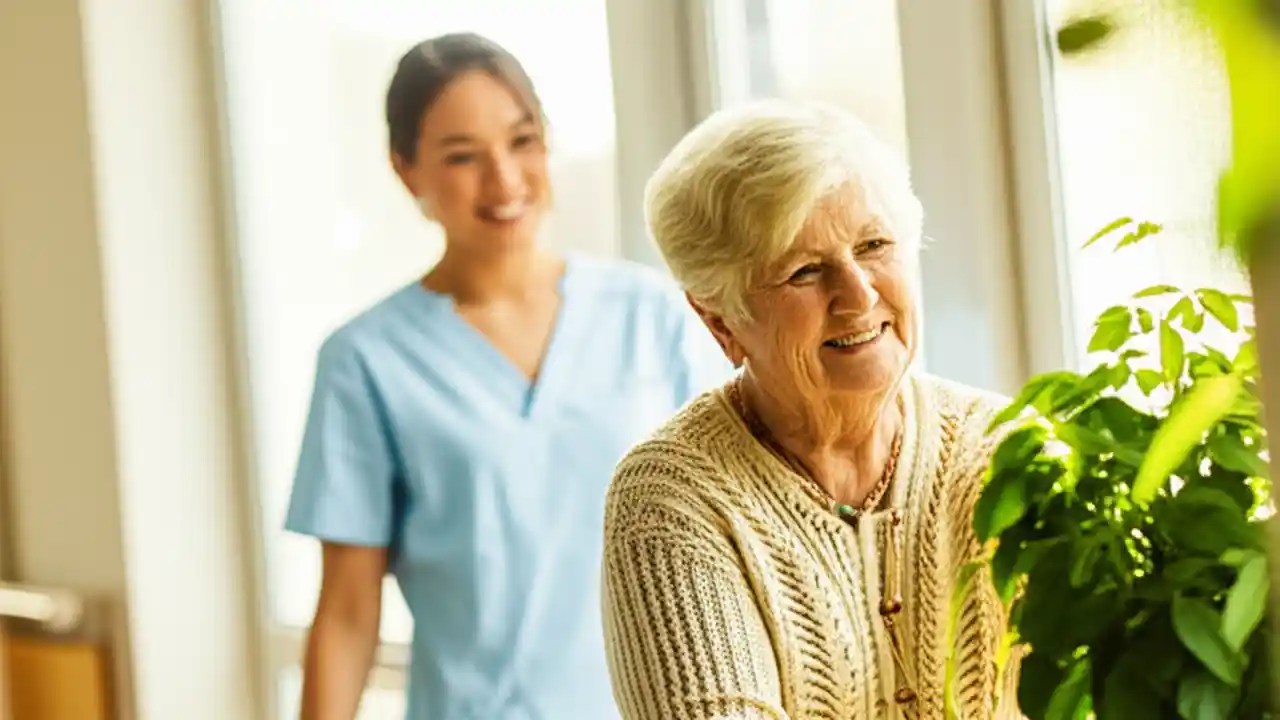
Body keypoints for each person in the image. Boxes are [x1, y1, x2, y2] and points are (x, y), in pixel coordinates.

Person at [284, 33, 728, 720]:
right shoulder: (365, 362)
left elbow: (729, 537)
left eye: (522, 141)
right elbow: (346, 614)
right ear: (407, 170)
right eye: (463, 156)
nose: (504, 180)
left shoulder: (650, 316)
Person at [600, 100, 1023, 719]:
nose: (858, 295)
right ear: (720, 321)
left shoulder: (1009, 450)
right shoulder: (674, 499)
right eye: (803, 271)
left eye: (874, 245)